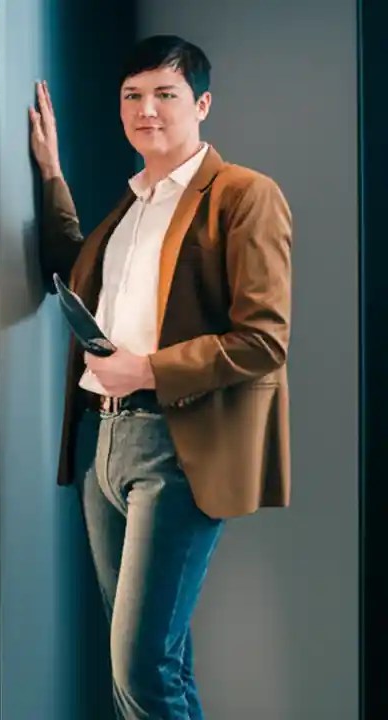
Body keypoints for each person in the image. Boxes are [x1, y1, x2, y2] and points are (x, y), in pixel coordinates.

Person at [30, 35, 292, 719]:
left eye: (166, 95)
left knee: (141, 668)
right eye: (133, 97)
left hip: (180, 447)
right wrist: (50, 169)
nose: (148, 110)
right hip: (105, 451)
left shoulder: (244, 195)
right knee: (158, 662)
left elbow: (264, 339)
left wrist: (145, 367)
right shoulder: (131, 205)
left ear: (202, 104)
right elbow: (69, 267)